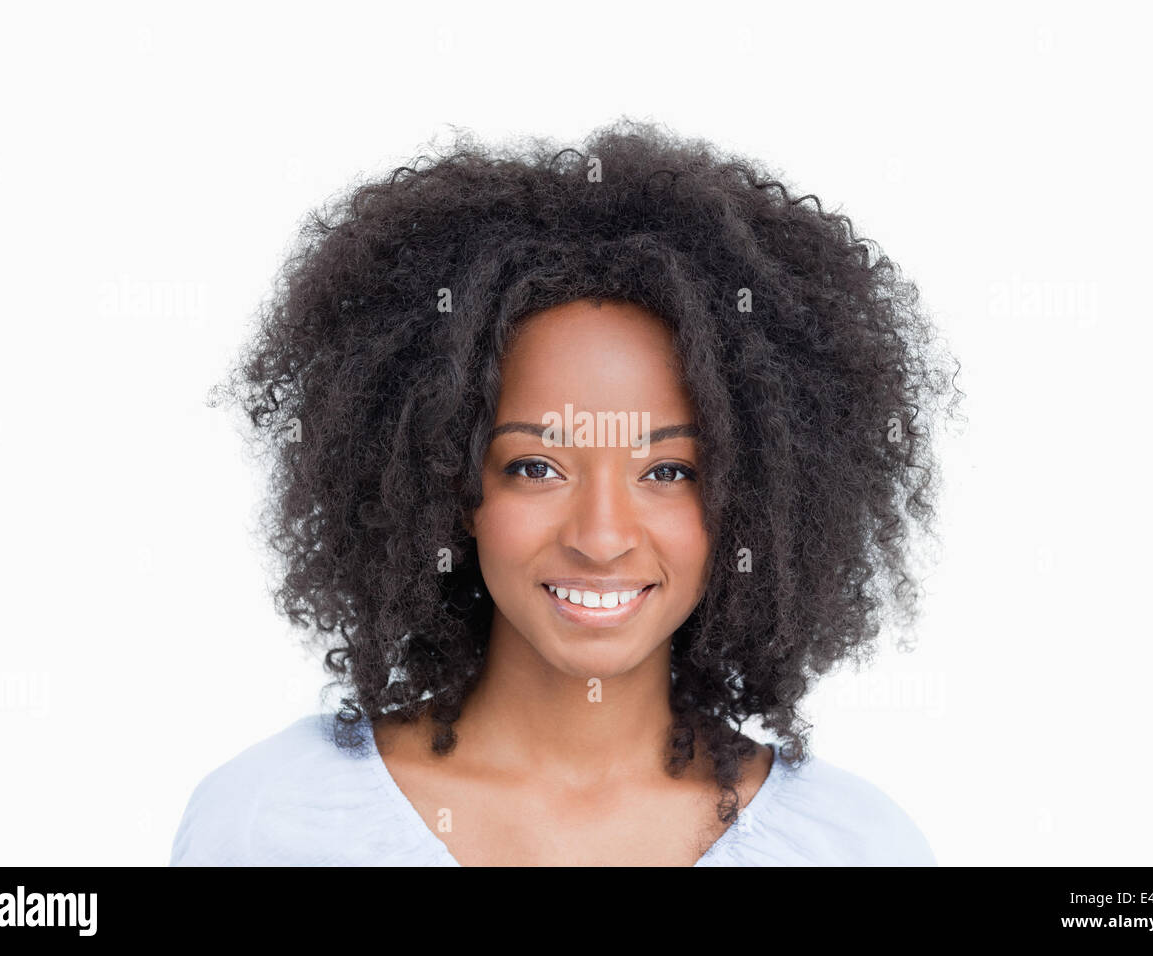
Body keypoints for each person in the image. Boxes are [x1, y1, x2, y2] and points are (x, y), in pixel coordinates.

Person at [170, 119, 960, 866]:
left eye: (668, 472)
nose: (602, 535)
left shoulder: (852, 848)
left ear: (757, 501)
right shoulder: (274, 823)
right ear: (446, 482)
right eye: (536, 467)